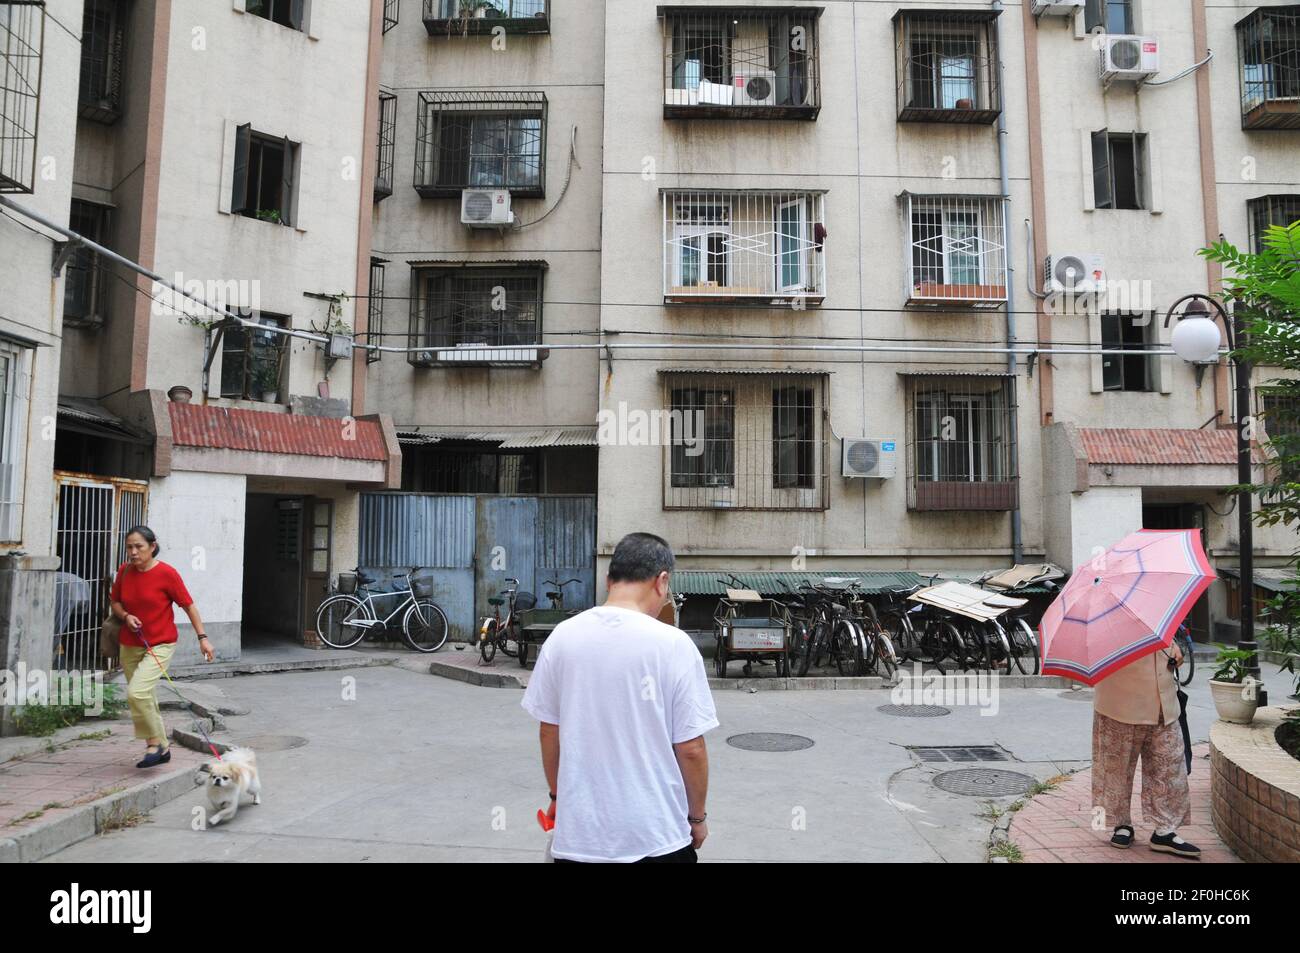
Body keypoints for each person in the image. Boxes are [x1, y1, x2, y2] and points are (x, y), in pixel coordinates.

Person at [521, 532, 718, 863]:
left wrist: (557, 796)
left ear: (609, 580)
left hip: (579, 839)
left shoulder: (562, 638)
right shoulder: (673, 645)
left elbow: (549, 731)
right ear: (662, 581)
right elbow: (691, 748)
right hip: (657, 836)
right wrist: (696, 818)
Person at [109, 525, 214, 768]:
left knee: (137, 692)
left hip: (161, 643)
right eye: (129, 548)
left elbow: (189, 606)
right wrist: (126, 616)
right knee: (144, 696)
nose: (133, 552)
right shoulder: (124, 571)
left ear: (152, 547)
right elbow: (115, 601)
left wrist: (203, 638)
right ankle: (160, 748)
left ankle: (154, 744)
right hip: (130, 643)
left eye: (139, 547)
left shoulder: (167, 574)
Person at [1092, 639, 1198, 858]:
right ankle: (1121, 824)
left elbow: (1163, 630)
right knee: (1116, 767)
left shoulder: (1153, 607)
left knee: (1168, 765)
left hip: (1163, 699)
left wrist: (1174, 644)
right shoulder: (1104, 614)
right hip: (1119, 701)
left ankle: (1164, 829)